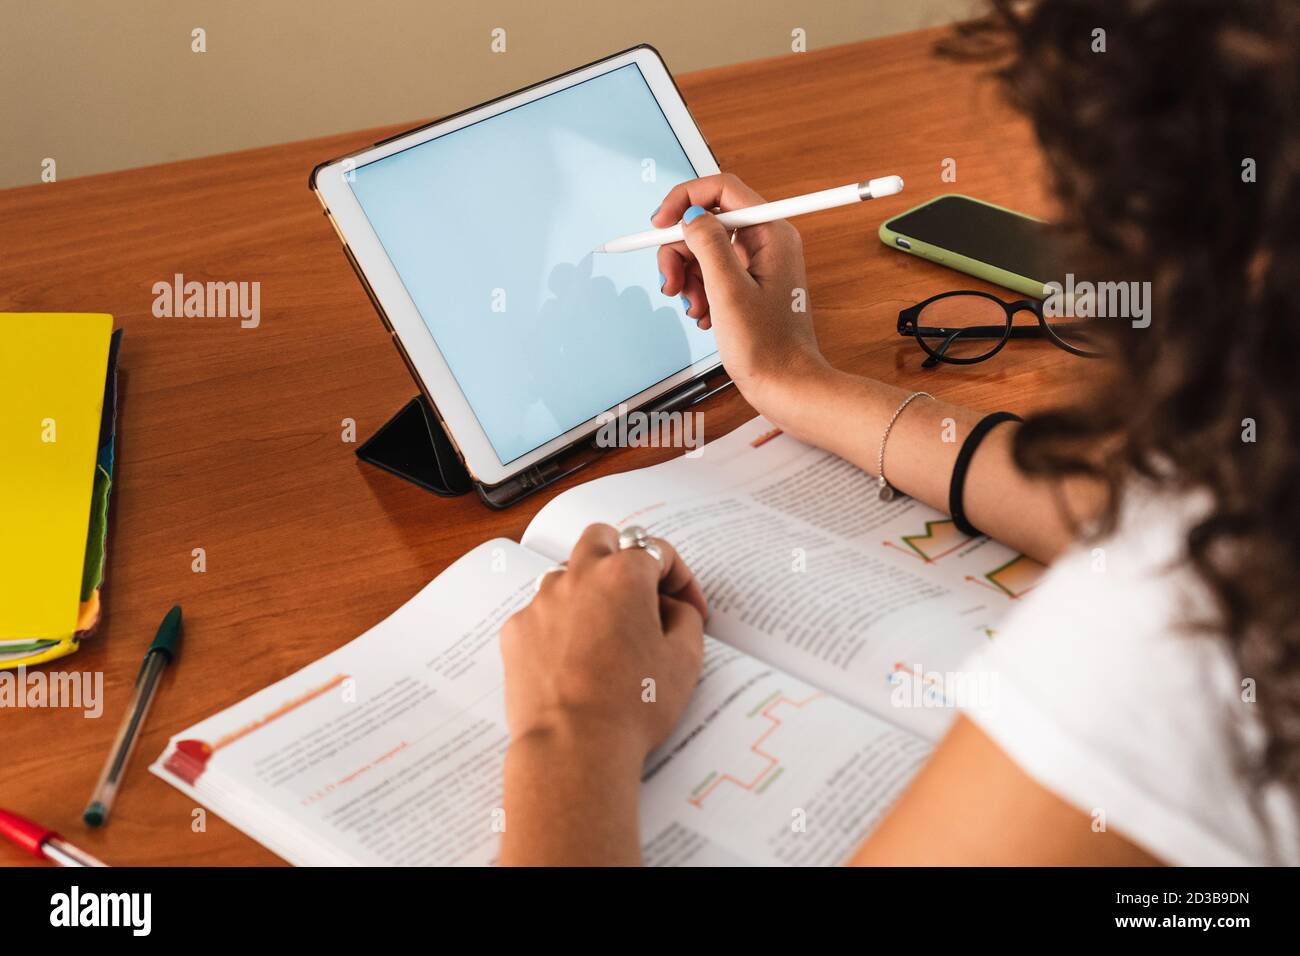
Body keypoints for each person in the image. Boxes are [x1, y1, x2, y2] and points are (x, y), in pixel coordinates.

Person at [497, 0, 1300, 866]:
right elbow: (1142, 507)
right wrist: (794, 380)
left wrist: (573, 729)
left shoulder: (1182, 650)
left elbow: (1170, 548)